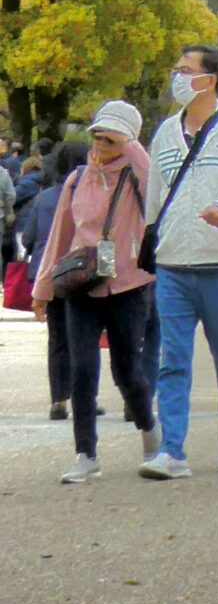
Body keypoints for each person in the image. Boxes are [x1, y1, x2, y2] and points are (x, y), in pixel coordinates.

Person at [139, 43, 218, 481]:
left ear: (209, 79)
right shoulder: (165, 133)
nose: (177, 76)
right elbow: (155, 195)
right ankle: (172, 450)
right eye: (176, 69)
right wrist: (152, 241)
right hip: (173, 262)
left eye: (185, 69)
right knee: (172, 358)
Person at [31, 103, 159, 484]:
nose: (100, 144)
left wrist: (129, 144)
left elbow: (157, 186)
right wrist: (43, 289)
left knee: (127, 370)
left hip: (128, 285)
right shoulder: (77, 179)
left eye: (110, 139)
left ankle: (150, 431)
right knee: (83, 369)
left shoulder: (137, 174)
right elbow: (60, 235)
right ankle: (85, 453)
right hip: (81, 284)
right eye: (96, 136)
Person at [18, 139, 85, 422]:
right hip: (83, 273)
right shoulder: (91, 195)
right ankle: (85, 397)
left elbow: (28, 237)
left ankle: (59, 399)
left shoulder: (44, 197)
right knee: (84, 337)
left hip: (50, 275)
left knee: (57, 338)